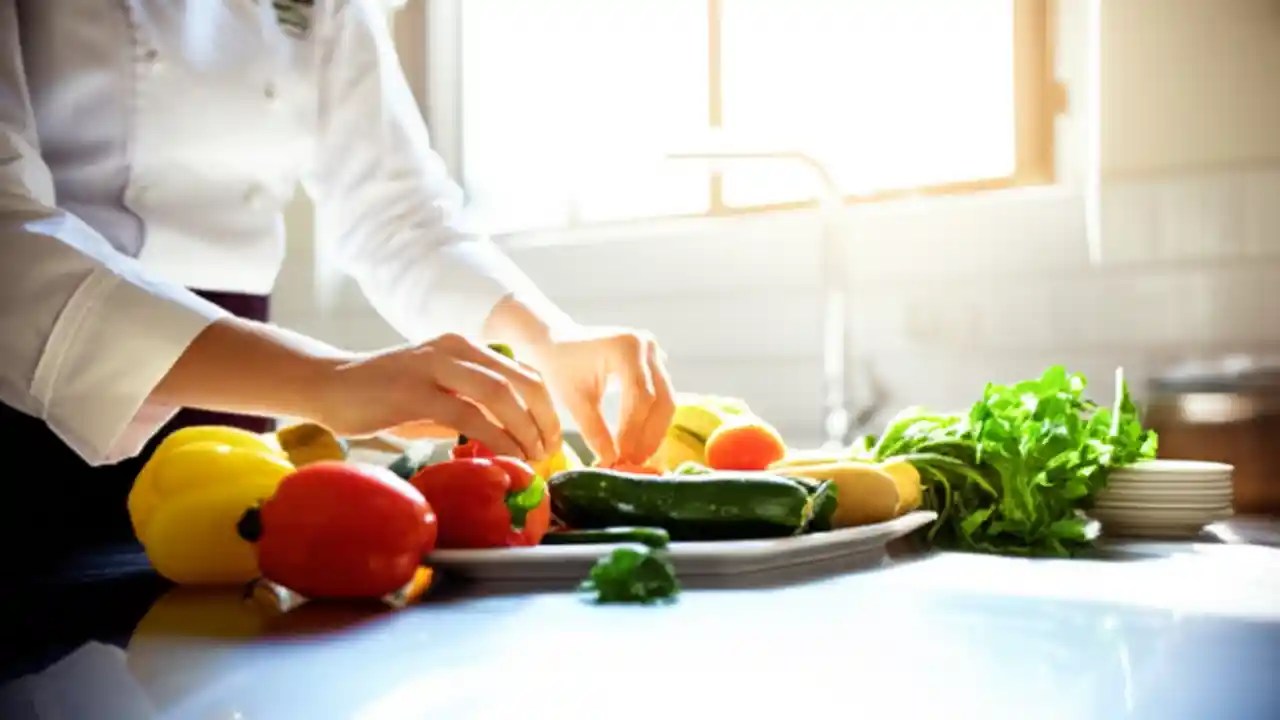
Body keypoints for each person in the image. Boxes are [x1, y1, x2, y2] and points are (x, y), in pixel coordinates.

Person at [0, 0, 675, 571]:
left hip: (235, 422)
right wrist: (328, 379)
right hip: (26, 411)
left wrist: (543, 337)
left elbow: (400, 216)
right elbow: (9, 239)